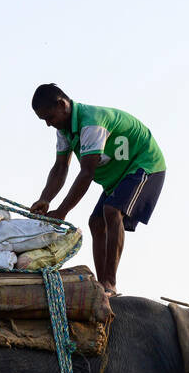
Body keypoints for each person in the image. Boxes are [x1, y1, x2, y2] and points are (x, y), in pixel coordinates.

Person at [29, 84, 165, 296]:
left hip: (144, 165)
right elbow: (60, 168)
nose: (48, 124)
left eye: (50, 117)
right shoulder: (63, 130)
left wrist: (62, 211)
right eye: (43, 120)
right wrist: (45, 199)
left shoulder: (91, 123)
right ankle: (101, 286)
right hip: (118, 176)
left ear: (62, 104)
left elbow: (86, 173)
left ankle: (110, 283)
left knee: (112, 210)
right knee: (96, 221)